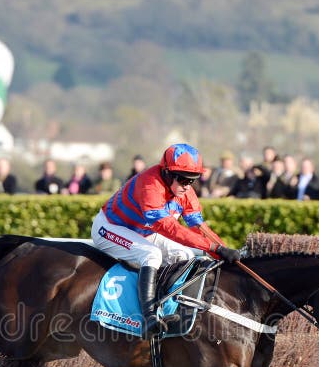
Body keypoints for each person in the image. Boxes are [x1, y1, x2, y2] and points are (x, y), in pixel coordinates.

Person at [91, 143, 240, 338]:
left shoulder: (185, 192)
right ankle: (149, 317)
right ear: (167, 173)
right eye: (183, 179)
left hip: (142, 230)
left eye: (192, 180)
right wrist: (213, 248)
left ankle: (170, 307)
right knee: (151, 254)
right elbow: (168, 228)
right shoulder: (149, 185)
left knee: (184, 255)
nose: (187, 185)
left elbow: (199, 227)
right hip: (110, 228)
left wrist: (222, 250)